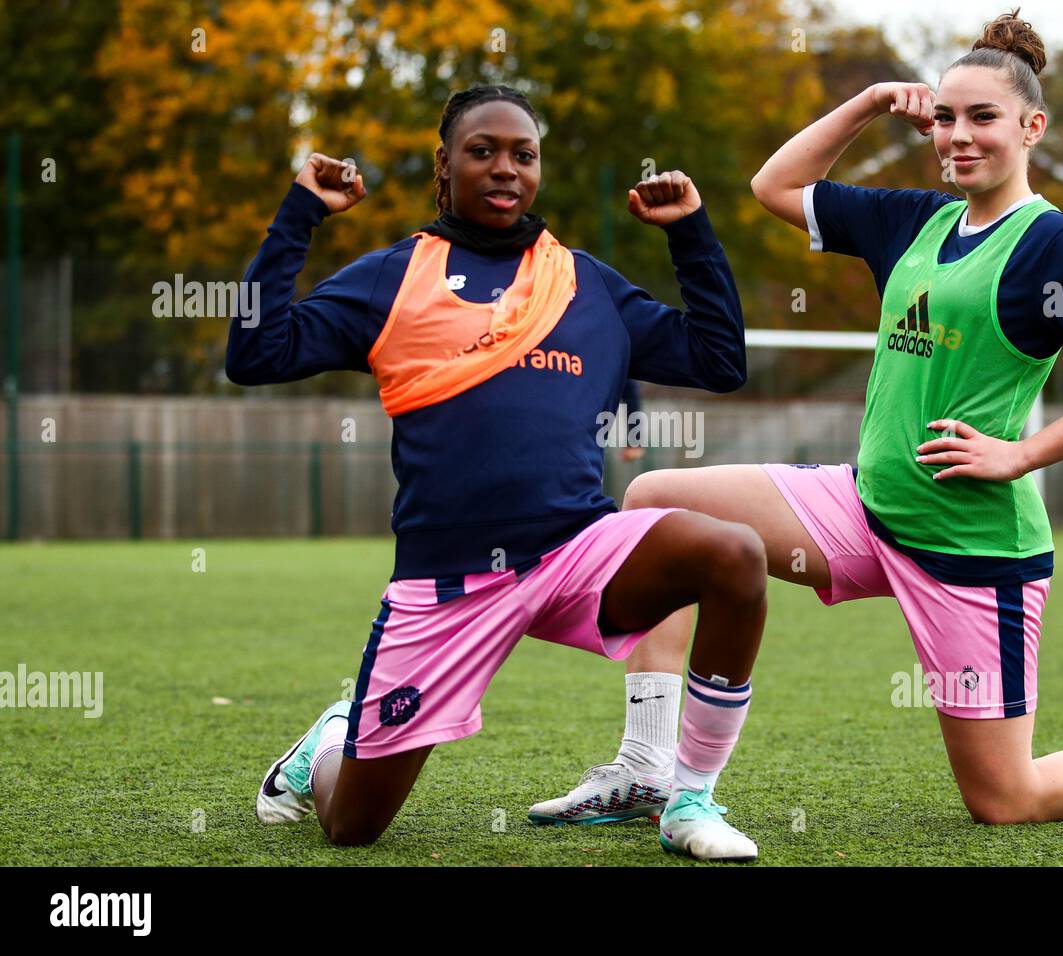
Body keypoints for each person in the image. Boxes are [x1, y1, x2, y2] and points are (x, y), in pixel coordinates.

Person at [530, 11, 1063, 828]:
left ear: (1032, 126)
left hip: (971, 553)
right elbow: (775, 188)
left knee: (1006, 800)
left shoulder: (1056, 247)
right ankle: (649, 769)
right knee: (655, 500)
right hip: (863, 510)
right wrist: (868, 102)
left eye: (983, 118)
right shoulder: (916, 220)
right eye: (945, 116)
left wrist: (1021, 455)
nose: (958, 136)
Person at [228, 84, 768, 860]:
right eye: (482, 151)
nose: (505, 168)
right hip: (445, 586)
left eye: (524, 154)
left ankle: (690, 800)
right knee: (353, 828)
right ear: (444, 166)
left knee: (734, 554)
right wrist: (300, 214)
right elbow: (255, 353)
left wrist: (690, 233)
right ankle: (333, 737)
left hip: (574, 555)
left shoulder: (585, 285)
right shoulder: (394, 277)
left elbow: (720, 361)